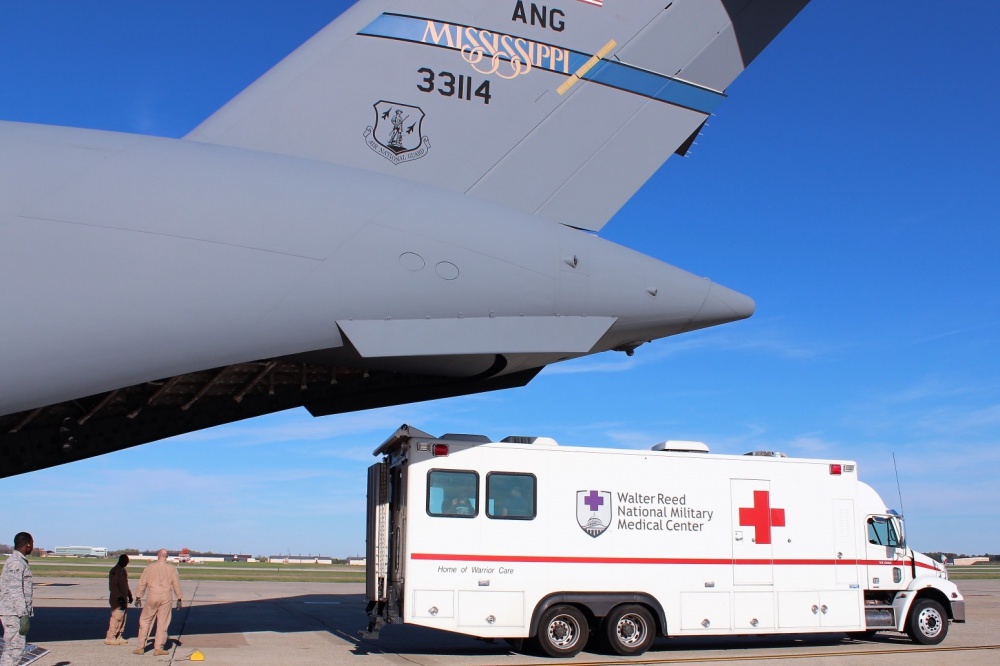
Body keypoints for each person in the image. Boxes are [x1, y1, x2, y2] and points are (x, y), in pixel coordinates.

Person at [132, 550, 182, 656]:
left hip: (152, 594)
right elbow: (176, 584)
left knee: (145, 620)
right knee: (163, 622)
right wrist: (179, 598)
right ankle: (158, 648)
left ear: (157, 556)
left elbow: (142, 583)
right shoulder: (172, 569)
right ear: (167, 557)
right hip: (166, 596)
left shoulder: (149, 568)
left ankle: (140, 647)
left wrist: (138, 596)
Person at [0, 532, 33, 666]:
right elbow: (15, 590)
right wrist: (23, 614)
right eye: (32, 543)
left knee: (11, 650)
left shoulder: (18, 561)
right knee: (14, 650)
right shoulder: (16, 563)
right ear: (28, 544)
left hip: (13, 612)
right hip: (13, 613)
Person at [104, 554, 133, 645]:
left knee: (123, 617)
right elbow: (113, 587)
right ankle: (110, 637)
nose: (127, 563)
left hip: (123, 597)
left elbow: (125, 585)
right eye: (126, 561)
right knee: (116, 617)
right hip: (117, 598)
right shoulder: (115, 571)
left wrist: (129, 595)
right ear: (121, 560)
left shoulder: (123, 571)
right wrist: (119, 597)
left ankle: (118, 635)